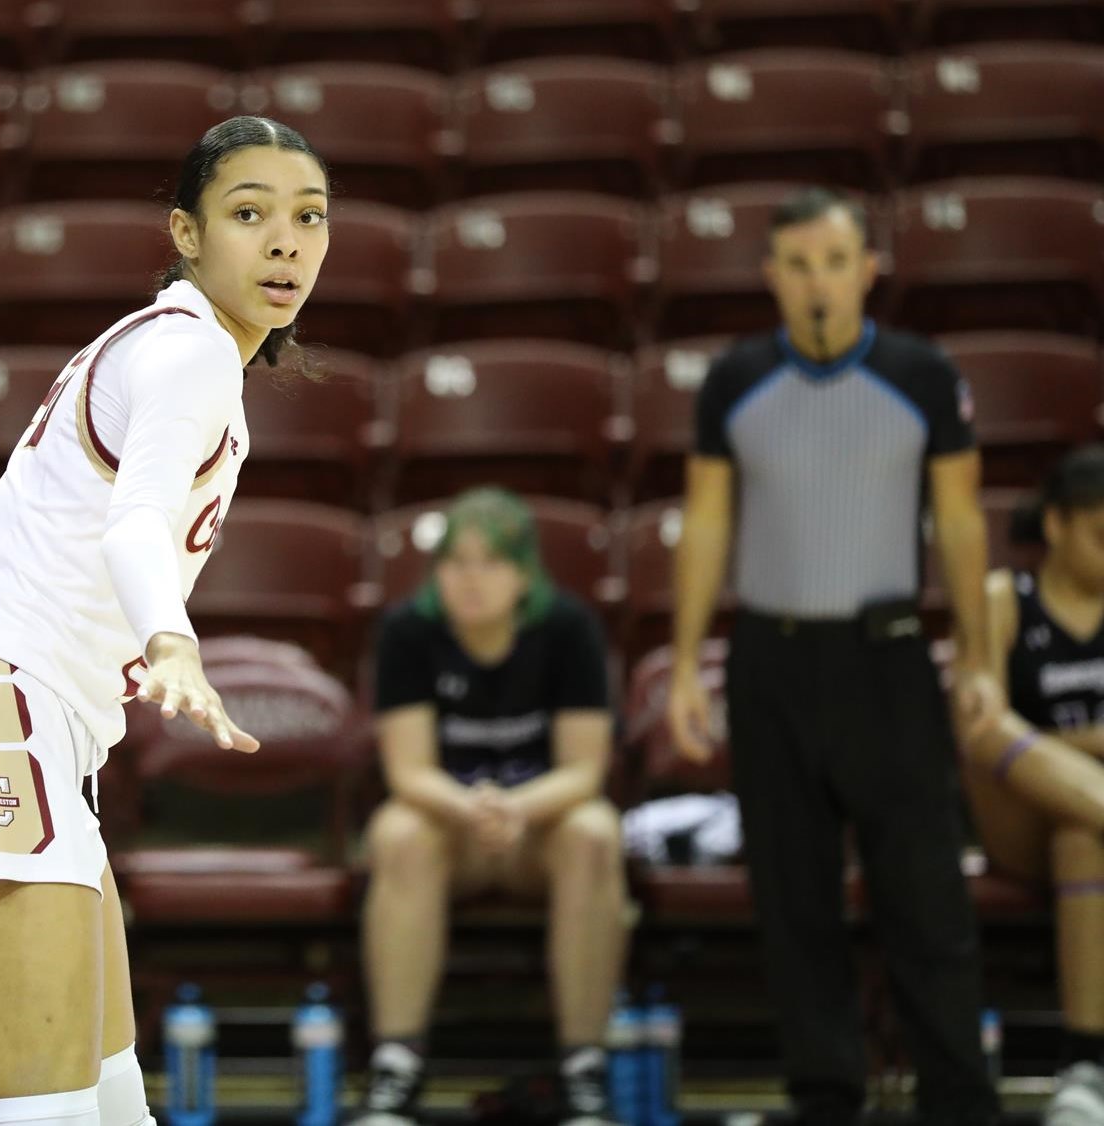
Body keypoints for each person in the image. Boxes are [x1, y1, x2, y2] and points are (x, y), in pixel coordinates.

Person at [0, 115, 330, 1126]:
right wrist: (170, 640)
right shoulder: (188, 351)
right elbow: (136, 524)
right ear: (185, 233)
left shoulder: (183, 355)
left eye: (307, 218)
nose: (285, 241)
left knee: (112, 1113)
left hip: (34, 725)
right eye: (249, 214)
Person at [667, 186, 1004, 1126]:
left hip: (886, 661)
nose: (819, 282)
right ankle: (826, 1095)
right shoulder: (735, 380)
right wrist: (689, 659)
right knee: (794, 902)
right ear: (773, 276)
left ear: (868, 269)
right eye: (799, 265)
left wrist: (977, 659)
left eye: (835, 262)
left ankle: (959, 1101)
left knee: (926, 899)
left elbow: (963, 522)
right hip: (770, 665)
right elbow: (704, 524)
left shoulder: (923, 375)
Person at [355, 488, 624, 1126]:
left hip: (538, 832)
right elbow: (408, 773)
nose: (469, 579)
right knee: (397, 833)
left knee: (595, 831)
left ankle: (584, 1069)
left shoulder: (568, 628)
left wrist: (516, 808)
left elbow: (585, 771)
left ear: (525, 572)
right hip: (455, 831)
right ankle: (397, 1066)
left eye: (490, 562)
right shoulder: (408, 631)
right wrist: (477, 808)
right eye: (455, 562)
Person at [959, 444, 1104, 1125]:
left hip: (1083, 828)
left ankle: (1086, 1065)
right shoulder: (1003, 599)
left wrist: (1055, 745)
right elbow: (983, 725)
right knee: (986, 728)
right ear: (1055, 525)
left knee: (1083, 835)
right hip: (1015, 816)